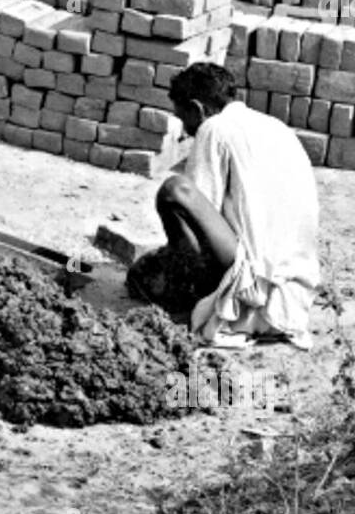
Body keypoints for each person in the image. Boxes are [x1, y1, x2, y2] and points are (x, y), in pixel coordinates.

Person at [127, 62, 320, 349]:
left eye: (185, 119)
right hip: (294, 296)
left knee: (174, 191)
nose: (187, 131)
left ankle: (191, 294)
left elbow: (198, 212)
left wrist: (167, 262)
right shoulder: (275, 126)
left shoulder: (213, 128)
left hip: (251, 292)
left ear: (197, 108)